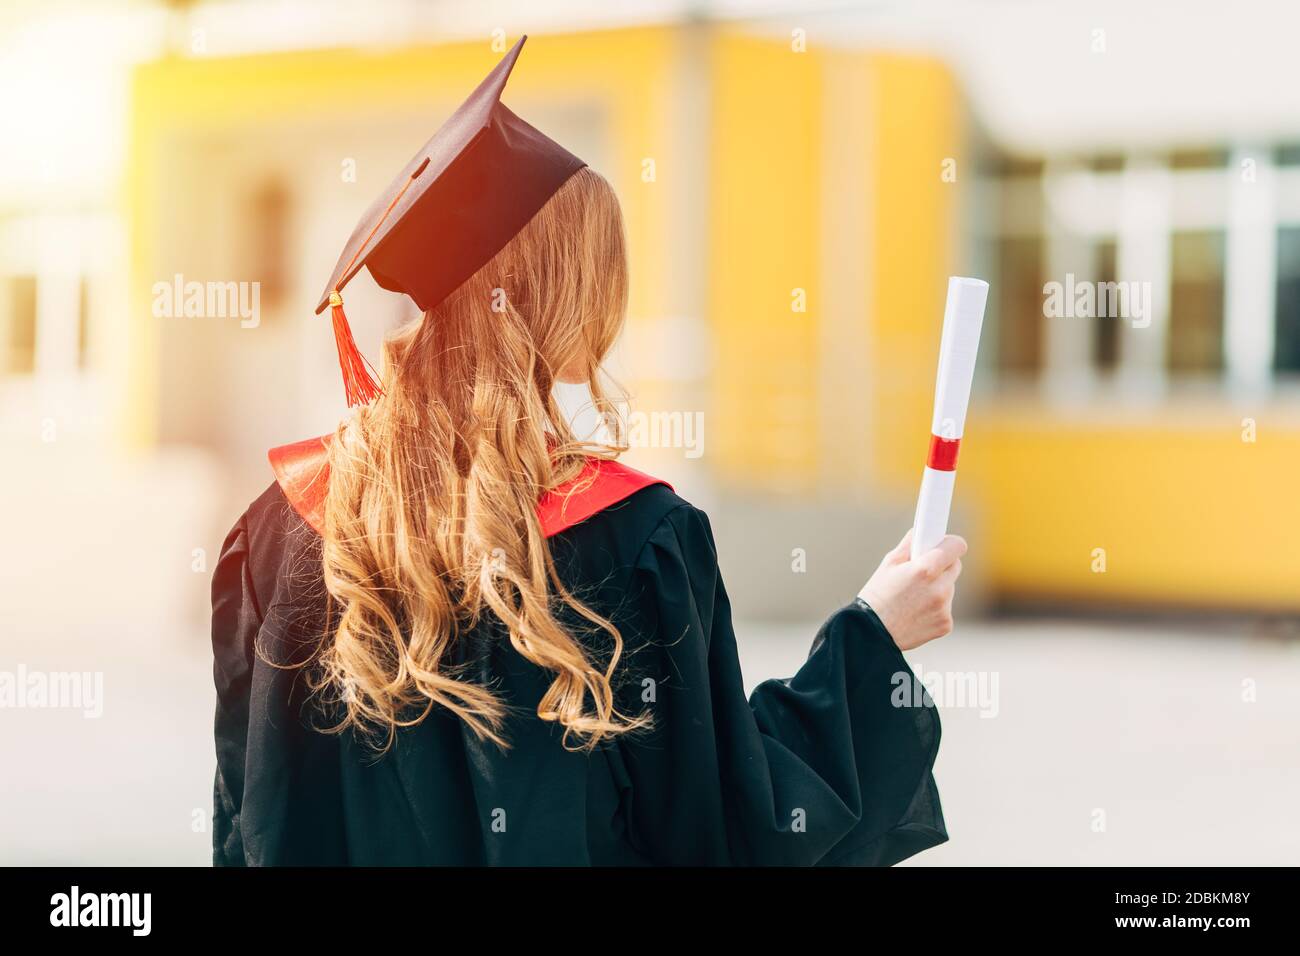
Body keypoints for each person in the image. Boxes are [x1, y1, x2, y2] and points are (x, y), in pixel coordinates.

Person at [211, 36, 964, 867]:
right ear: (556, 289)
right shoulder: (636, 543)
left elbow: (246, 822)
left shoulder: (280, 534)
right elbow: (721, 824)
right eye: (599, 269)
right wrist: (873, 640)